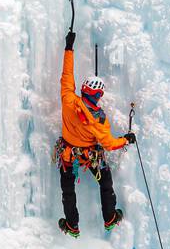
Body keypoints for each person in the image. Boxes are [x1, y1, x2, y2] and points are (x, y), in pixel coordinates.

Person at [55, 28, 135, 237]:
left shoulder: (68, 100)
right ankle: (110, 217)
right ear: (98, 95)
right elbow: (109, 144)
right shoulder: (99, 119)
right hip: (89, 155)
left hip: (67, 153)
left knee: (68, 187)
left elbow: (66, 75)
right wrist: (126, 139)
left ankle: (72, 225)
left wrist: (69, 48)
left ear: (83, 90)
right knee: (105, 181)